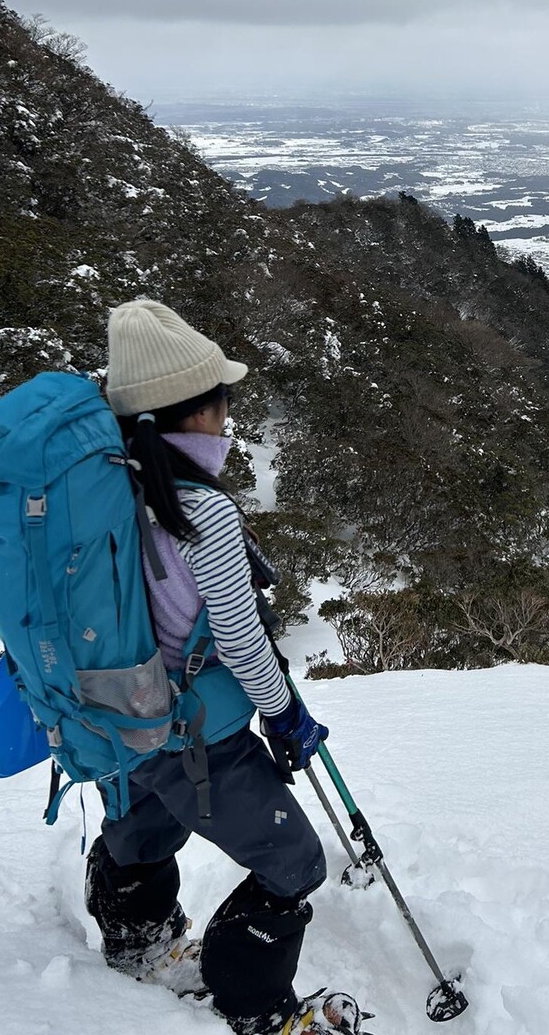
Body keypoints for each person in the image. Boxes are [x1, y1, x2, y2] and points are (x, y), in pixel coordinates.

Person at [84, 299, 362, 1035]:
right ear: (197, 412)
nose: (228, 414)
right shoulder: (195, 511)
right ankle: (256, 1007)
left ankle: (135, 937)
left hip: (108, 713)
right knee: (294, 862)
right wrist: (285, 712)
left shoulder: (103, 486)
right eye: (223, 399)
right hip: (191, 732)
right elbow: (240, 644)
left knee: (142, 826)